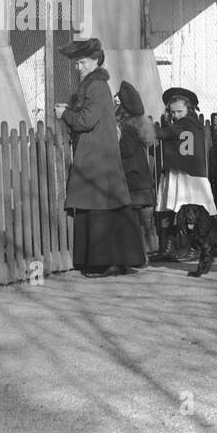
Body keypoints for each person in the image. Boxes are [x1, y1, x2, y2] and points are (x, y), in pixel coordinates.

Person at [53, 38, 144, 277]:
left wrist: (65, 114)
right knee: (109, 207)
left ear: (95, 61)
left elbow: (87, 120)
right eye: (76, 63)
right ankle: (120, 259)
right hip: (101, 155)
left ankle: (102, 262)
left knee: (98, 208)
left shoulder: (95, 87)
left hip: (96, 156)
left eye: (81, 62)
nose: (78, 67)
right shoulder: (98, 86)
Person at [154, 87, 216, 261]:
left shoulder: (186, 123)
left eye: (179, 111)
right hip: (182, 172)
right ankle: (170, 248)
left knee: (189, 212)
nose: (176, 115)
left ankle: (196, 248)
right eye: (172, 112)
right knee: (172, 209)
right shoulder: (191, 124)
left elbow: (163, 134)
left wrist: (142, 124)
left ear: (189, 109)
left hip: (187, 175)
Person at [115, 80, 157, 260]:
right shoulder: (136, 124)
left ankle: (142, 255)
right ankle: (149, 251)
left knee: (137, 223)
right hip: (142, 181)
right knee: (145, 223)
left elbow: (125, 150)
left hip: (133, 181)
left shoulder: (127, 128)